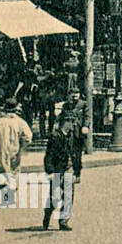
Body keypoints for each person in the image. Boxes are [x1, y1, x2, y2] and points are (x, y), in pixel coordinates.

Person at [42, 91, 86, 230]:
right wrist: (49, 171)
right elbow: (48, 156)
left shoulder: (75, 137)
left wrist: (77, 172)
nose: (74, 125)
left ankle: (63, 221)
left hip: (69, 168)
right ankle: (48, 212)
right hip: (56, 169)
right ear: (65, 122)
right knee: (55, 198)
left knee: (68, 195)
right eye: (72, 122)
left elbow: (77, 155)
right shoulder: (55, 137)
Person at [0, 99, 33, 208]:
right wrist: (22, 148)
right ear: (16, 108)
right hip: (14, 152)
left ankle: (7, 194)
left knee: (0, 175)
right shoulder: (20, 122)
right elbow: (28, 137)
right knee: (12, 173)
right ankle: (10, 191)